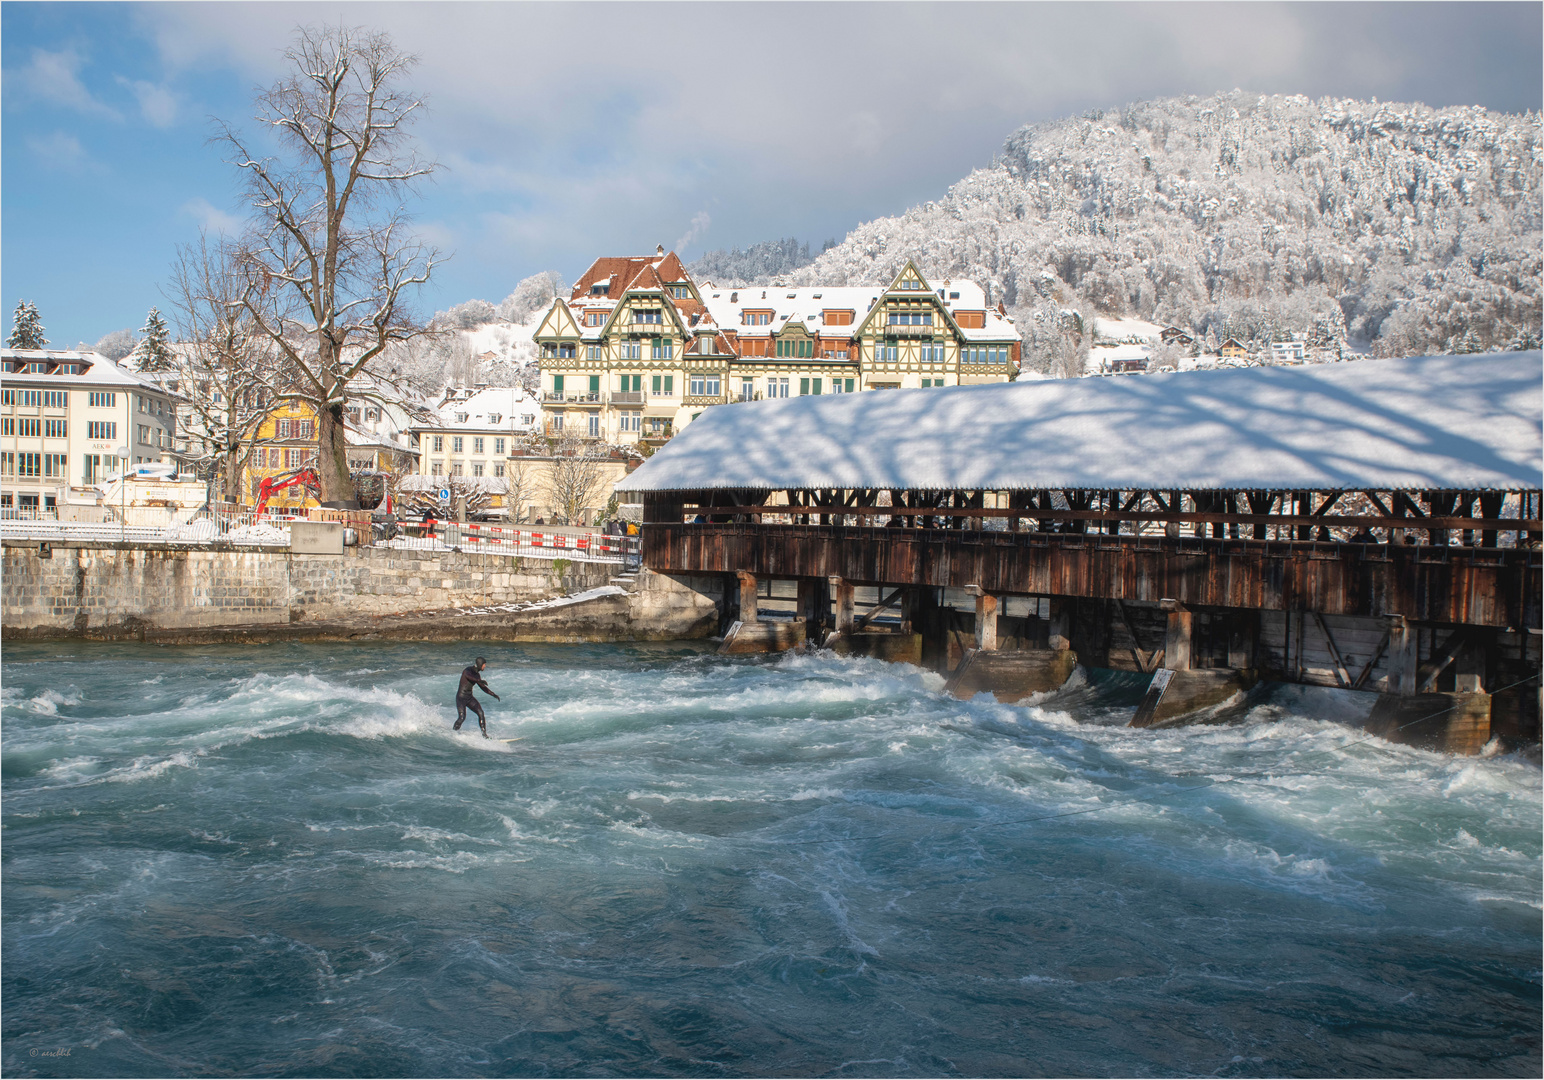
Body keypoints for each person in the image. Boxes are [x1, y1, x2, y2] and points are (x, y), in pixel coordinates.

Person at [453, 656, 500, 738]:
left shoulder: (477, 675)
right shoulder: (467, 670)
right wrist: (479, 681)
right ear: (480, 664)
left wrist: (493, 694)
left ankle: (484, 735)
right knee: (462, 718)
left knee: (481, 713)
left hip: (469, 698)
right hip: (461, 698)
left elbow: (483, 687)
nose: (485, 666)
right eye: (484, 664)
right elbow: (469, 677)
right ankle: (453, 733)